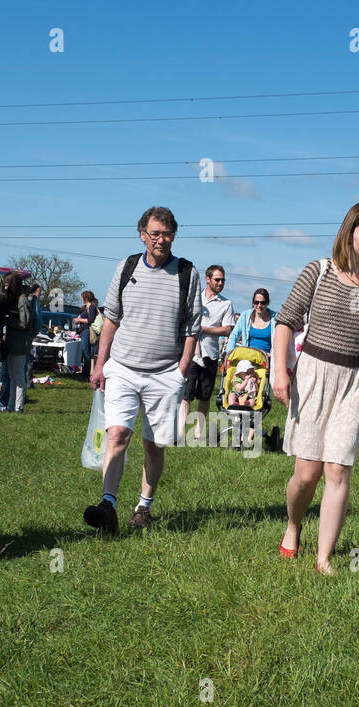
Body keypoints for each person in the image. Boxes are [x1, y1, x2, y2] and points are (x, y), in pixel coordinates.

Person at [272, 201, 359, 575]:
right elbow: (286, 322)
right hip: (313, 374)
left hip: (354, 383)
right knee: (307, 474)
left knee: (338, 470)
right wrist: (280, 372)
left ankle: (324, 558)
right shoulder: (318, 271)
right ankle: (294, 524)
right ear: (349, 232)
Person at [84, 205, 201, 533]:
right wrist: (100, 364)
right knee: (117, 434)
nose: (161, 240)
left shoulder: (187, 274)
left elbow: (193, 328)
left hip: (164, 373)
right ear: (142, 235)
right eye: (155, 234)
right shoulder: (127, 267)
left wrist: (181, 370)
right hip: (122, 368)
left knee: (153, 444)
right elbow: (111, 319)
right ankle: (108, 504)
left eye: (167, 234)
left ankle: (143, 507)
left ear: (174, 236)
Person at [180, 265, 233, 442]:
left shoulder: (226, 304)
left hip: (210, 354)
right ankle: (180, 431)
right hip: (189, 350)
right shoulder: (194, 298)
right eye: (217, 279)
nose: (220, 283)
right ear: (207, 279)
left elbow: (227, 330)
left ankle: (198, 432)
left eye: (223, 280)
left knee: (204, 395)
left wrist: (205, 329)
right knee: (186, 393)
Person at [1, 272, 30, 412]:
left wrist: (7, 321)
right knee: (12, 376)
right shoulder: (13, 300)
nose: (5, 288)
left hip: (19, 344)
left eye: (7, 284)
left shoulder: (22, 300)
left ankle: (19, 407)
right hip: (11, 343)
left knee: (18, 377)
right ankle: (11, 405)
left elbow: (24, 323)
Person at [225, 288, 275, 358]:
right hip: (248, 358)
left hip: (267, 359)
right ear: (253, 302)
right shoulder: (245, 315)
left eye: (262, 303)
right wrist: (229, 355)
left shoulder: (275, 318)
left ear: (267, 303)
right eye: (256, 302)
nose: (259, 305)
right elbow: (234, 336)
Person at [76, 290, 99, 379]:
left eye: (82, 297)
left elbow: (90, 320)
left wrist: (79, 320)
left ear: (85, 298)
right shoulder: (87, 307)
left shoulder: (91, 307)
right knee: (85, 353)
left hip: (86, 331)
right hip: (84, 331)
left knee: (86, 353)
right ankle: (84, 373)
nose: (81, 299)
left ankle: (86, 374)